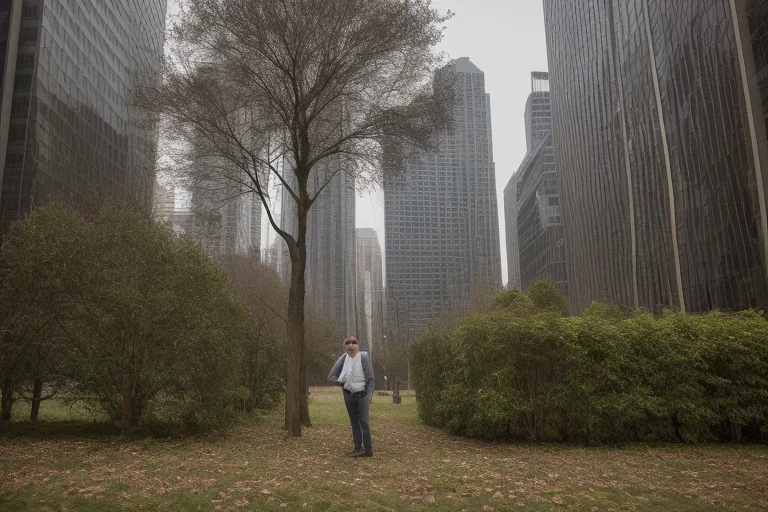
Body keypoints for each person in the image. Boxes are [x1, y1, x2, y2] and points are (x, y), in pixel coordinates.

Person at [328, 336, 374, 457]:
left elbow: (370, 378)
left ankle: (368, 450)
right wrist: (342, 383)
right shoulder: (343, 359)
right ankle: (358, 448)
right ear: (344, 346)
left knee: (364, 423)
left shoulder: (363, 357)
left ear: (358, 345)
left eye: (354, 343)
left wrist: (368, 395)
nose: (351, 345)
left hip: (362, 394)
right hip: (349, 394)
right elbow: (331, 377)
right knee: (354, 423)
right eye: (347, 343)